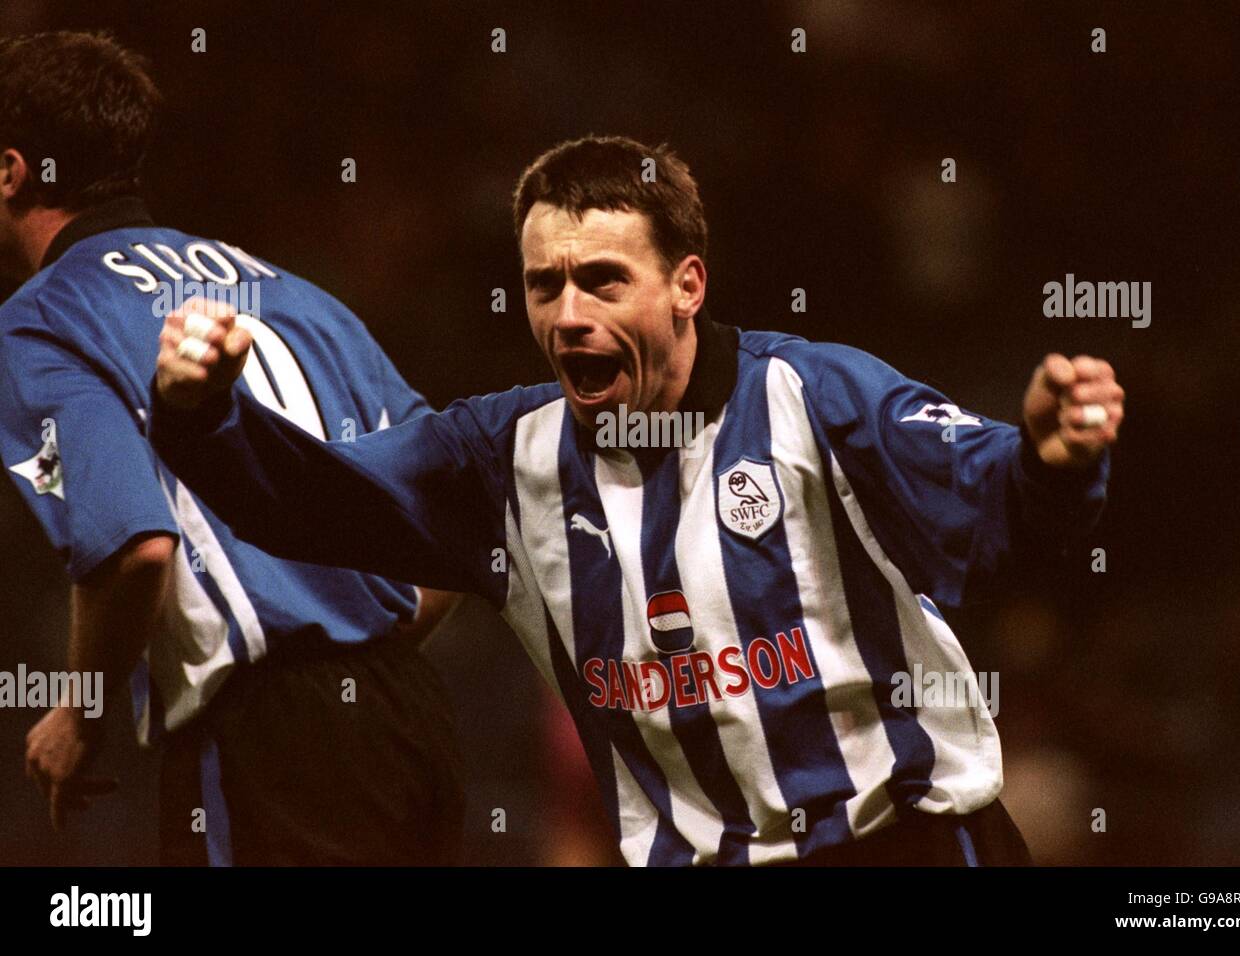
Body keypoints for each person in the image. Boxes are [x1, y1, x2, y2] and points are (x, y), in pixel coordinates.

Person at [150, 134, 1126, 866]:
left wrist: (1050, 460)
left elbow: (995, 510)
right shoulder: (500, 460)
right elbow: (311, 502)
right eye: (544, 286)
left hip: (907, 847)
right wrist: (201, 415)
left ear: (686, 285)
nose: (569, 316)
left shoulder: (813, 396)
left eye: (602, 281)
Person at [0, 31, 464, 865]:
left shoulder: (41, 319)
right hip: (412, 723)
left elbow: (136, 550)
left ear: (11, 172)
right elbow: (454, 511)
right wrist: (360, 649)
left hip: (273, 746)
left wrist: (79, 713)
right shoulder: (288, 289)